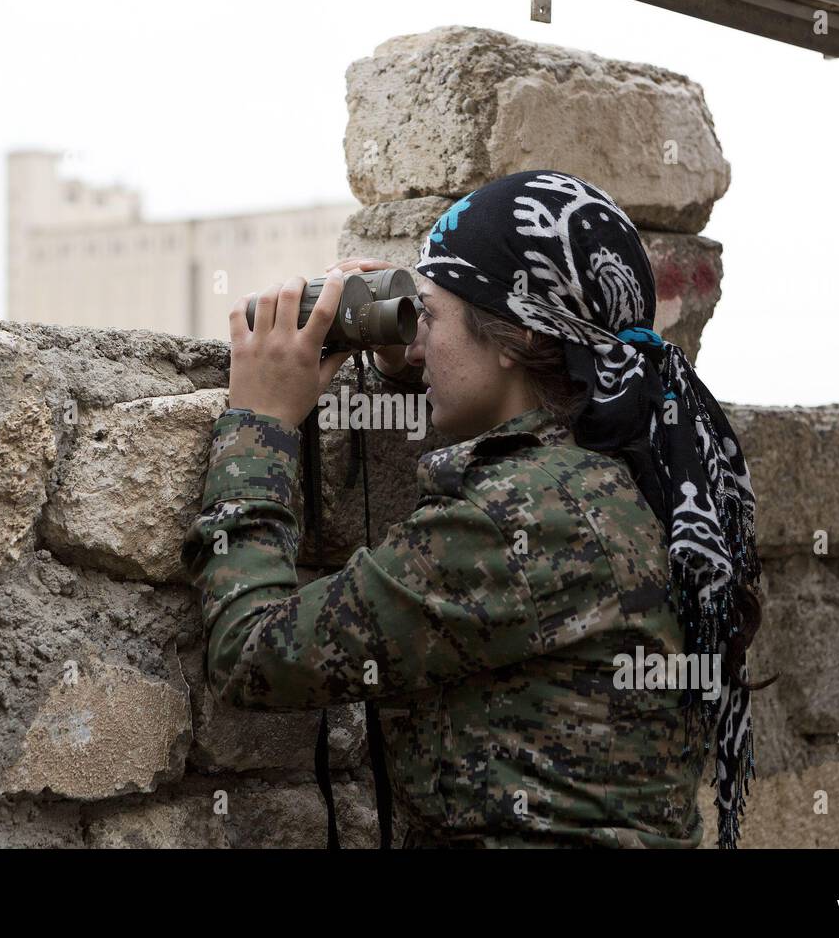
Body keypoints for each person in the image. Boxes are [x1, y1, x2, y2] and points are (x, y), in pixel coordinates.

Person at [180, 169, 769, 848]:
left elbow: (251, 653)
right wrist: (425, 364)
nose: (418, 339)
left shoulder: (510, 518)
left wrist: (262, 421)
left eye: (429, 316)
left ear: (515, 341)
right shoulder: (645, 471)